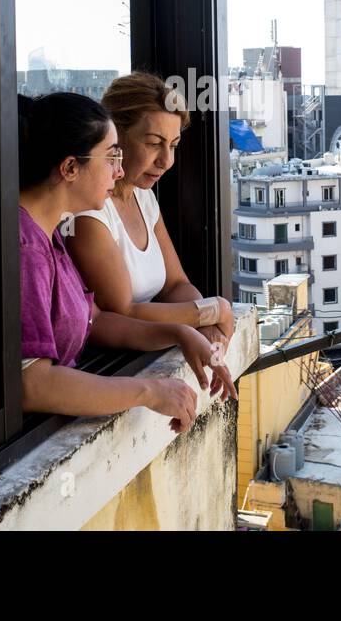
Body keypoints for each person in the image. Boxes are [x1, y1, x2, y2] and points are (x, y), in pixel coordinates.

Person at [17, 92, 236, 433]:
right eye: (110, 157)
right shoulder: (26, 246)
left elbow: (95, 320)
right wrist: (148, 391)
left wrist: (180, 332)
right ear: (70, 167)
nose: (119, 172)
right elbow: (32, 384)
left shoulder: (47, 233)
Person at [68, 73, 235, 356]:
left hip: (150, 353)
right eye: (154, 143)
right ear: (115, 136)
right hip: (115, 368)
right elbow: (123, 312)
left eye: (173, 145)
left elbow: (176, 284)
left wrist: (207, 323)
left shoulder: (143, 196)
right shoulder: (88, 211)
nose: (166, 161)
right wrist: (207, 312)